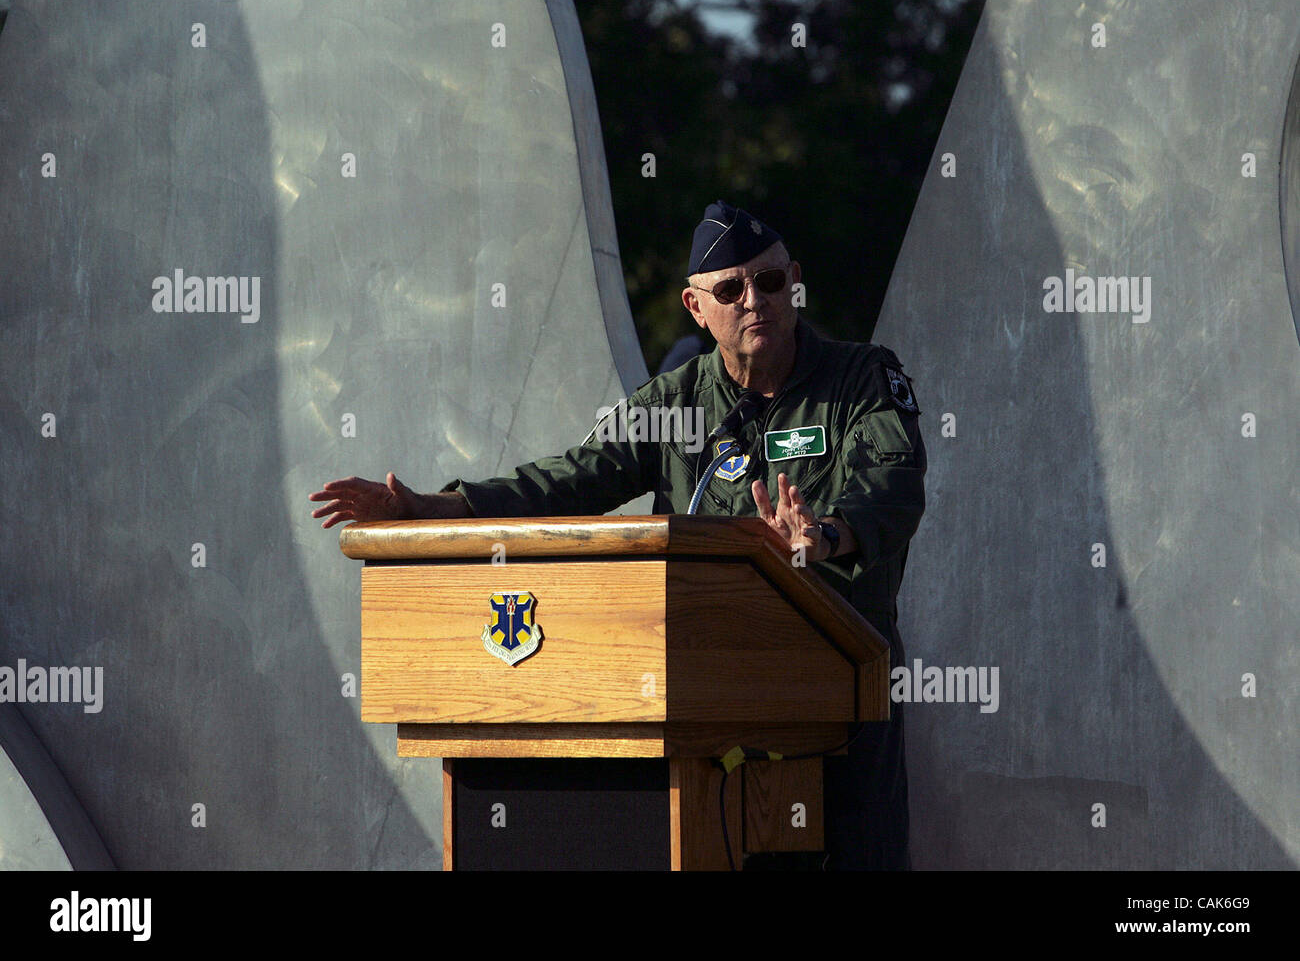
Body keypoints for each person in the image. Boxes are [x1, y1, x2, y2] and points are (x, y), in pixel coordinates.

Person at [309, 200, 927, 869]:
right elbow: (568, 480)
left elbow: (893, 490)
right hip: (708, 698)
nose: (756, 300)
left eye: (772, 281)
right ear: (696, 308)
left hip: (837, 694)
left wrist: (826, 536)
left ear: (794, 280)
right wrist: (430, 507)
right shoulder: (675, 404)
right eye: (732, 289)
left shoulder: (863, 378)